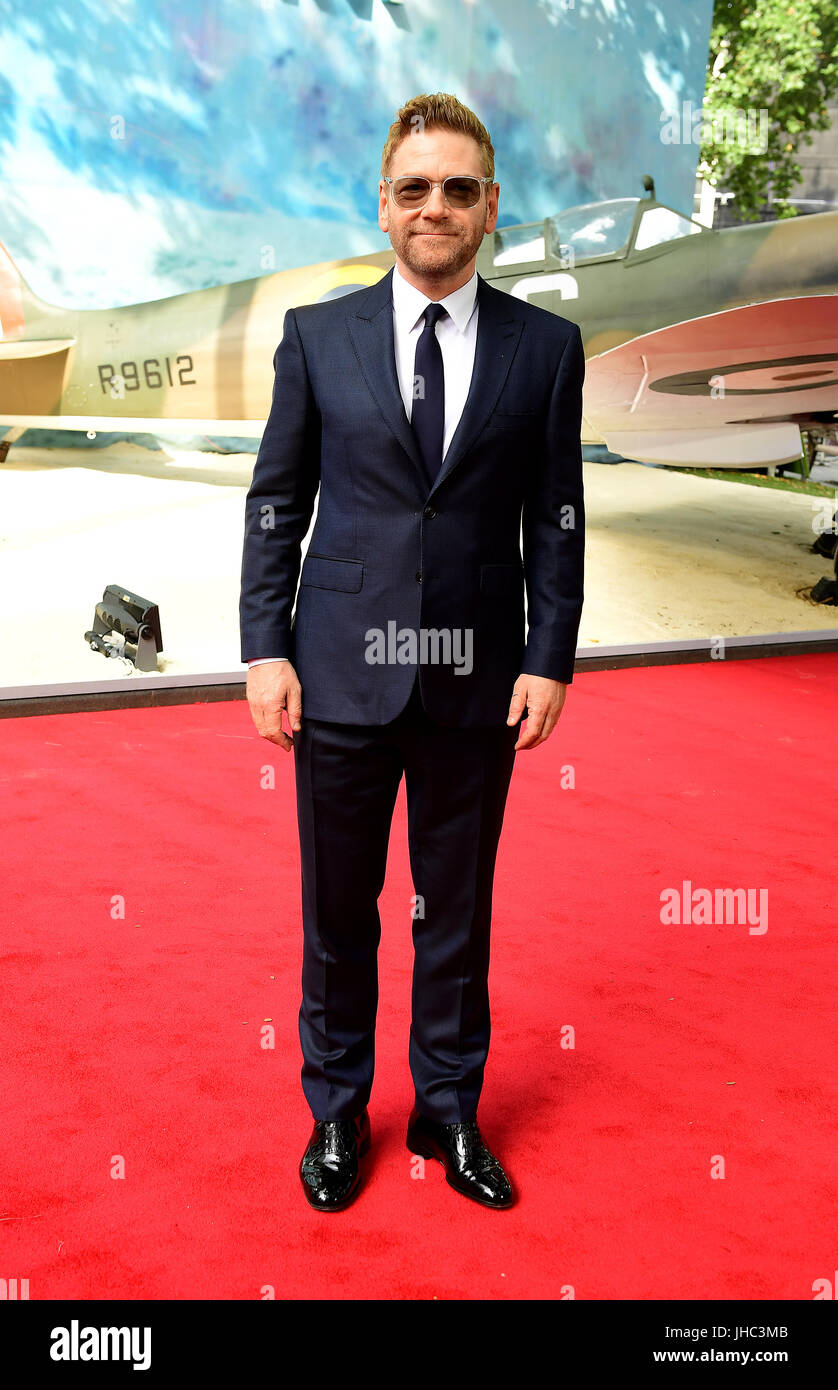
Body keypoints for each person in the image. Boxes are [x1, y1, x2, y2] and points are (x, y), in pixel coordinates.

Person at [240, 92, 585, 1212]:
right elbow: (275, 501)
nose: (434, 206)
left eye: (457, 188)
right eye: (413, 188)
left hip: (477, 682)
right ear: (381, 206)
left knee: (456, 912)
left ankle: (446, 1114)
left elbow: (557, 515)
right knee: (339, 914)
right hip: (338, 669)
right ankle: (337, 1112)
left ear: (489, 206)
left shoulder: (547, 348)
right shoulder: (316, 337)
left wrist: (549, 657)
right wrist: (263, 647)